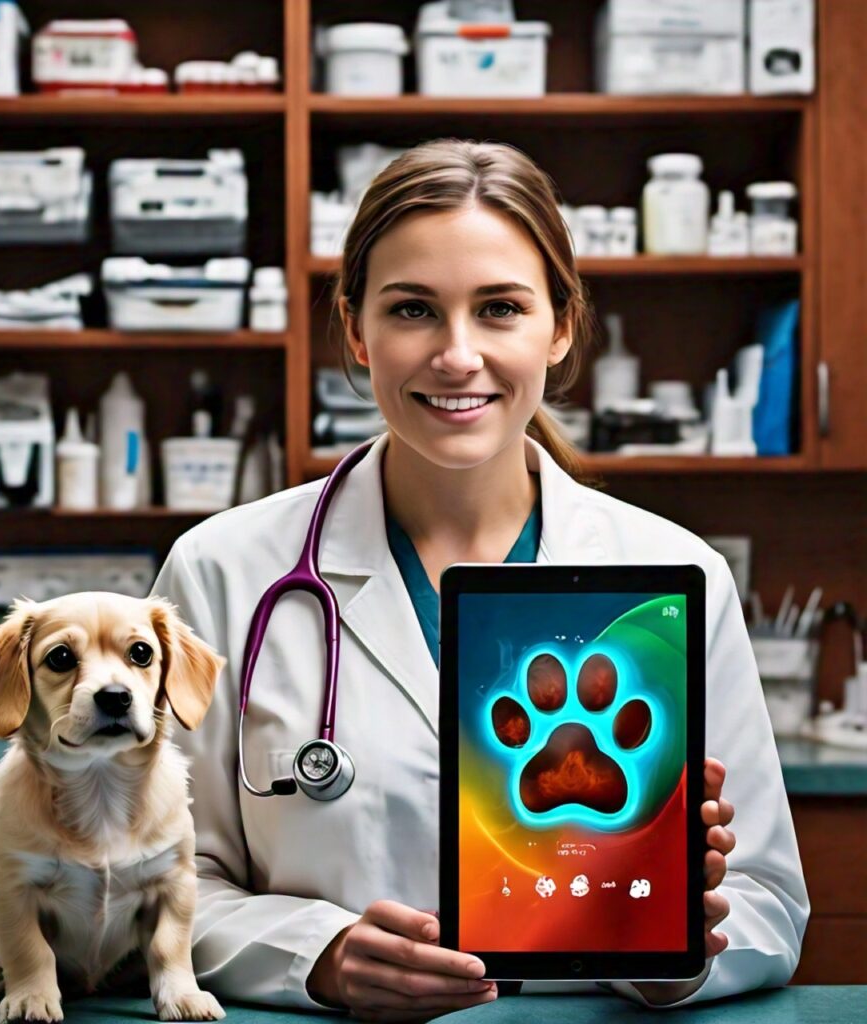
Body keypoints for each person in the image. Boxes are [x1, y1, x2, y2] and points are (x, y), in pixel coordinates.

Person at [150, 139, 808, 1019]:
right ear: (355, 328)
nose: (457, 356)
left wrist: (670, 953)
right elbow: (151, 881)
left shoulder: (676, 577)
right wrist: (317, 956)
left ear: (562, 325)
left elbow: (768, 900)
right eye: (413, 309)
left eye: (499, 308)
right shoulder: (224, 574)